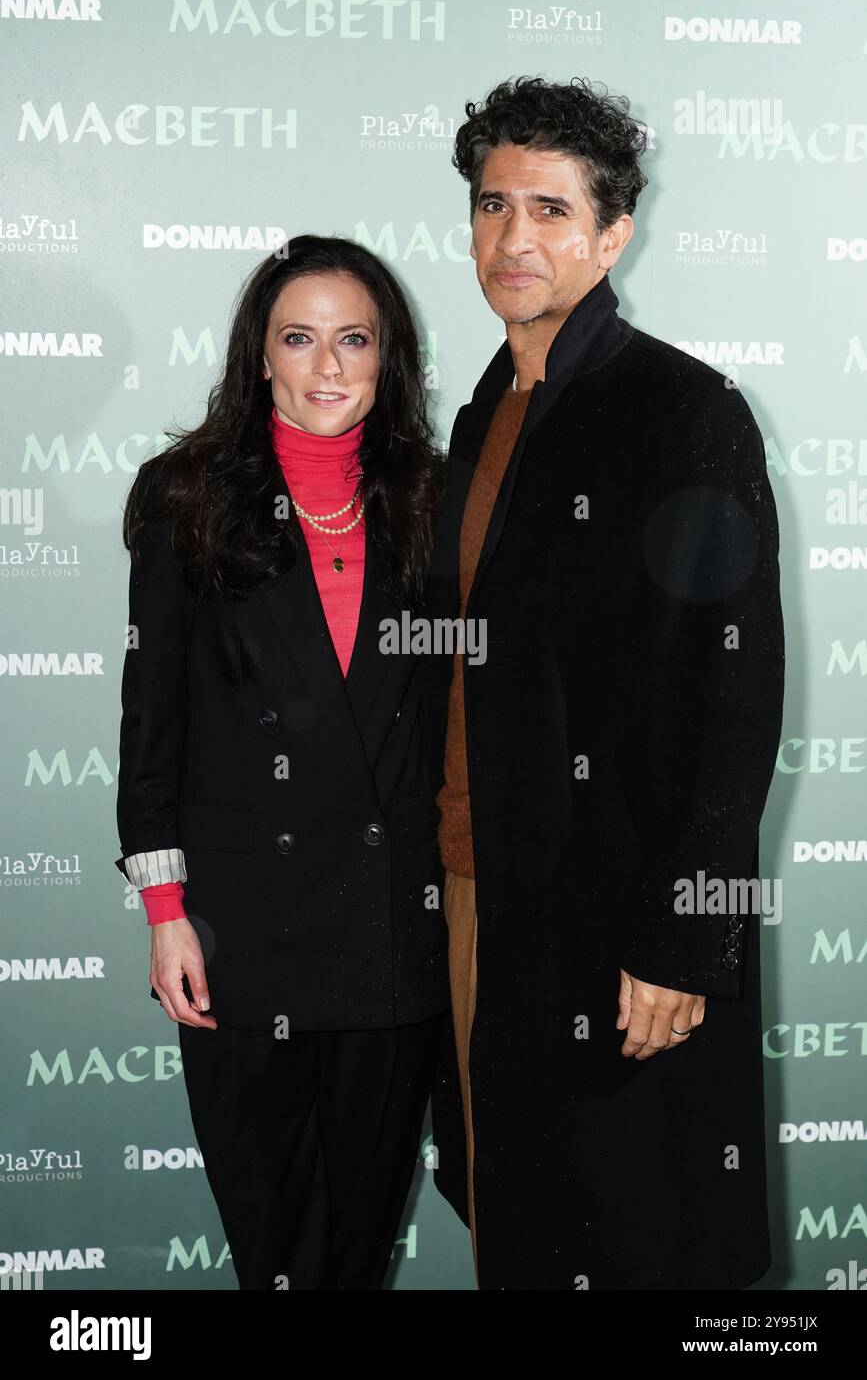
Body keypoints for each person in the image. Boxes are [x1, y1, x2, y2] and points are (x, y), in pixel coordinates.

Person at [423, 76, 785, 1290]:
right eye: (490, 205)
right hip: (485, 895)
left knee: (641, 1234)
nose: (513, 239)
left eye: (550, 209)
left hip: (624, 918)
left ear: (612, 232)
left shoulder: (684, 410)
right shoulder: (481, 415)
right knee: (523, 1220)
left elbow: (732, 700)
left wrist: (685, 935)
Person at [113, 235, 449, 1290]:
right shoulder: (185, 497)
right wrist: (167, 914)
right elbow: (151, 720)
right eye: (299, 339)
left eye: (354, 339)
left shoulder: (434, 502)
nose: (328, 367)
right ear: (260, 355)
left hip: (392, 927)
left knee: (354, 1249)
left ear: (387, 354)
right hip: (242, 932)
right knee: (279, 1254)